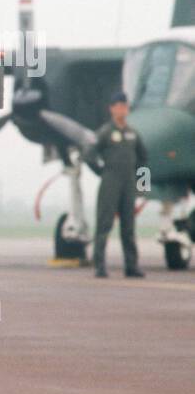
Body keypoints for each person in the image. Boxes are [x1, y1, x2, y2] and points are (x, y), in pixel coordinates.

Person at [87, 91, 148, 278]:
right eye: (118, 106)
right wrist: (101, 172)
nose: (121, 109)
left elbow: (143, 159)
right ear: (111, 109)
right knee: (104, 224)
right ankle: (99, 265)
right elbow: (89, 153)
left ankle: (131, 266)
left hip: (128, 183)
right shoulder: (105, 132)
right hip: (110, 181)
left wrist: (142, 185)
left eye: (124, 105)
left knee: (128, 226)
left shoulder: (133, 134)